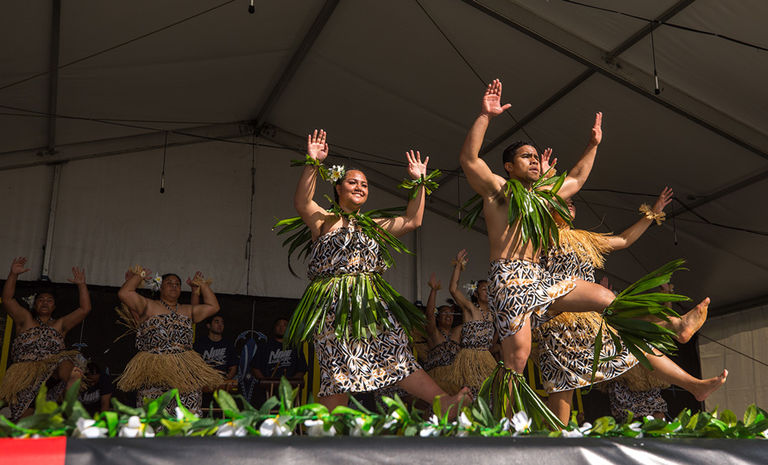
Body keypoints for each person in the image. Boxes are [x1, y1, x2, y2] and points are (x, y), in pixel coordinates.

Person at [286, 129, 470, 414]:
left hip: (371, 305)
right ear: (338, 188)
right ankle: (324, 436)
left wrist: (420, 182)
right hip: (333, 304)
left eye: (365, 184)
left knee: (396, 353)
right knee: (339, 372)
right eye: (353, 182)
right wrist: (312, 163)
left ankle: (442, 402)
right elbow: (302, 202)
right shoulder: (324, 221)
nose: (360, 187)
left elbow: (413, 220)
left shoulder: (375, 226)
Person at [532, 188, 726, 423]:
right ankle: (674, 324)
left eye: (573, 201)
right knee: (562, 391)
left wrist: (651, 214)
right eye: (564, 200)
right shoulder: (540, 236)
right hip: (556, 317)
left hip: (587, 318)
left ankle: (694, 385)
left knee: (635, 346)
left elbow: (624, 240)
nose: (570, 204)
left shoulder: (585, 238)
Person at [116, 269, 223, 414]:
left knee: (188, 416)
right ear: (160, 287)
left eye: (177, 284)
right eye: (169, 283)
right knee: (155, 416)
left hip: (184, 368)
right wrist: (138, 276)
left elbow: (213, 306)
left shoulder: (187, 310)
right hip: (154, 368)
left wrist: (202, 285)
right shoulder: (148, 306)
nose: (174, 286)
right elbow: (124, 293)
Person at [0, 257, 90, 421]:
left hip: (53, 369)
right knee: (22, 421)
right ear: (35, 305)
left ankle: (69, 408)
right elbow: (7, 300)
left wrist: (82, 285)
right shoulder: (25, 320)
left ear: (54, 306)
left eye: (49, 301)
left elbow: (85, 309)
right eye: (41, 300)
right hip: (26, 374)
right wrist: (13, 274)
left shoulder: (60, 324)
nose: (45, 303)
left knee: (69, 366)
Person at [446, 250, 497, 397]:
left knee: (489, 395)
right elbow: (453, 289)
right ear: (476, 293)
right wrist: (458, 265)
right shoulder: (470, 308)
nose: (487, 292)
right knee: (471, 395)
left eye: (489, 290)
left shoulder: (492, 314)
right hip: (469, 358)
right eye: (483, 289)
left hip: (486, 358)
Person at [422, 274, 461, 394]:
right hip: (437, 379)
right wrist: (433, 290)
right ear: (438, 317)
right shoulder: (434, 332)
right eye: (444, 313)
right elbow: (429, 314)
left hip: (456, 378)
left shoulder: (457, 332)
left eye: (451, 313)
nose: (448, 316)